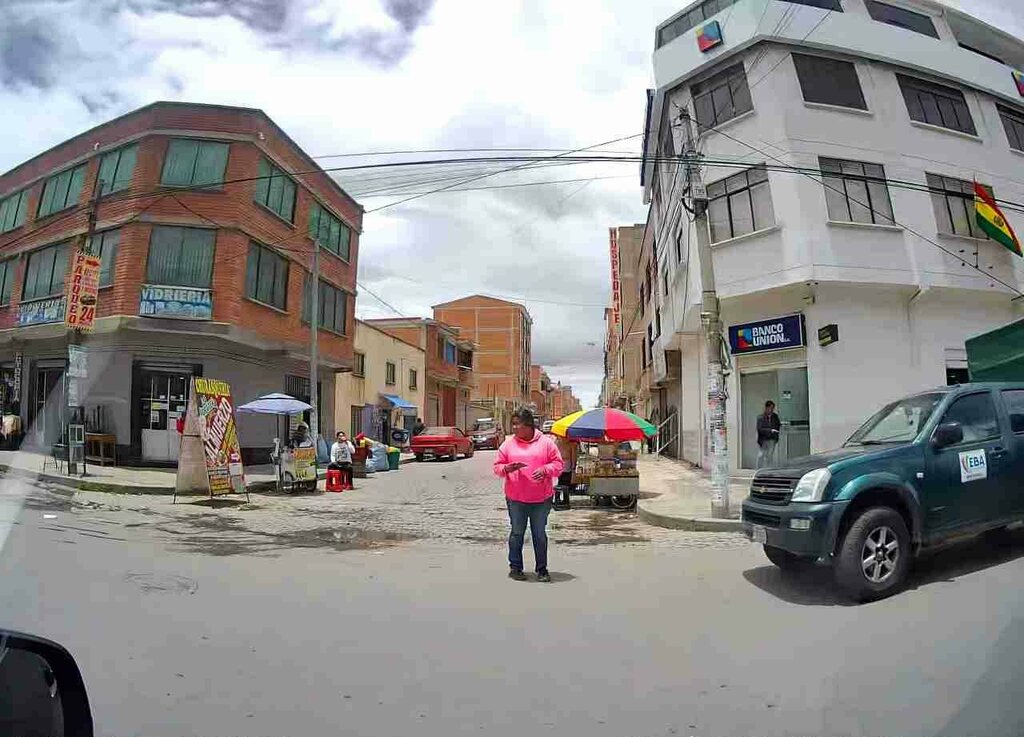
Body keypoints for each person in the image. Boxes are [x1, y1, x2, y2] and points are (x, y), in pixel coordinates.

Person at [493, 408, 563, 583]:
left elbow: (558, 464)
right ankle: (515, 567)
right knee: (517, 533)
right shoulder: (508, 445)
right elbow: (497, 467)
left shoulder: (546, 443)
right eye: (513, 424)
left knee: (539, 534)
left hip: (541, 499)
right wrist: (508, 468)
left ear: (529, 425)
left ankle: (542, 569)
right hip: (516, 499)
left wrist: (546, 470)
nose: (514, 428)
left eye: (518, 424)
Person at [552, 433, 577, 509]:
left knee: (564, 485)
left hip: (566, 467)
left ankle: (563, 501)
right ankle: (559, 500)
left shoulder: (571, 445)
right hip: (560, 467)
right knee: (560, 485)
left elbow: (573, 457)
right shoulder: (556, 443)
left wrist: (573, 468)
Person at [756, 400, 781, 468]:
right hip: (763, 439)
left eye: (773, 408)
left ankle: (768, 469)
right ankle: (759, 469)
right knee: (761, 455)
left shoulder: (775, 417)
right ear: (766, 408)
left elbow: (778, 426)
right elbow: (760, 429)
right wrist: (770, 431)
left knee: (769, 455)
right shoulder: (761, 417)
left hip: (772, 439)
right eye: (770, 408)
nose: (771, 410)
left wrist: (776, 436)